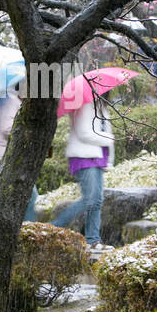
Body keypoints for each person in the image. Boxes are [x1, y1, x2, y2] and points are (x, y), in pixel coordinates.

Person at [52, 96, 114, 248]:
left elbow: (106, 131)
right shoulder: (85, 105)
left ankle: (93, 240)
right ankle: (54, 226)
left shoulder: (100, 106)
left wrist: (109, 158)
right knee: (90, 200)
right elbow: (84, 133)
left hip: (97, 157)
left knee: (97, 201)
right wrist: (108, 139)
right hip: (84, 156)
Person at [0, 89, 38, 222]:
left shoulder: (12, 100)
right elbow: (7, 128)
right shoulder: (11, 100)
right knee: (29, 195)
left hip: (5, 155)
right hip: (4, 155)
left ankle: (20, 228)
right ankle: (27, 229)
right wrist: (28, 132)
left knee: (10, 197)